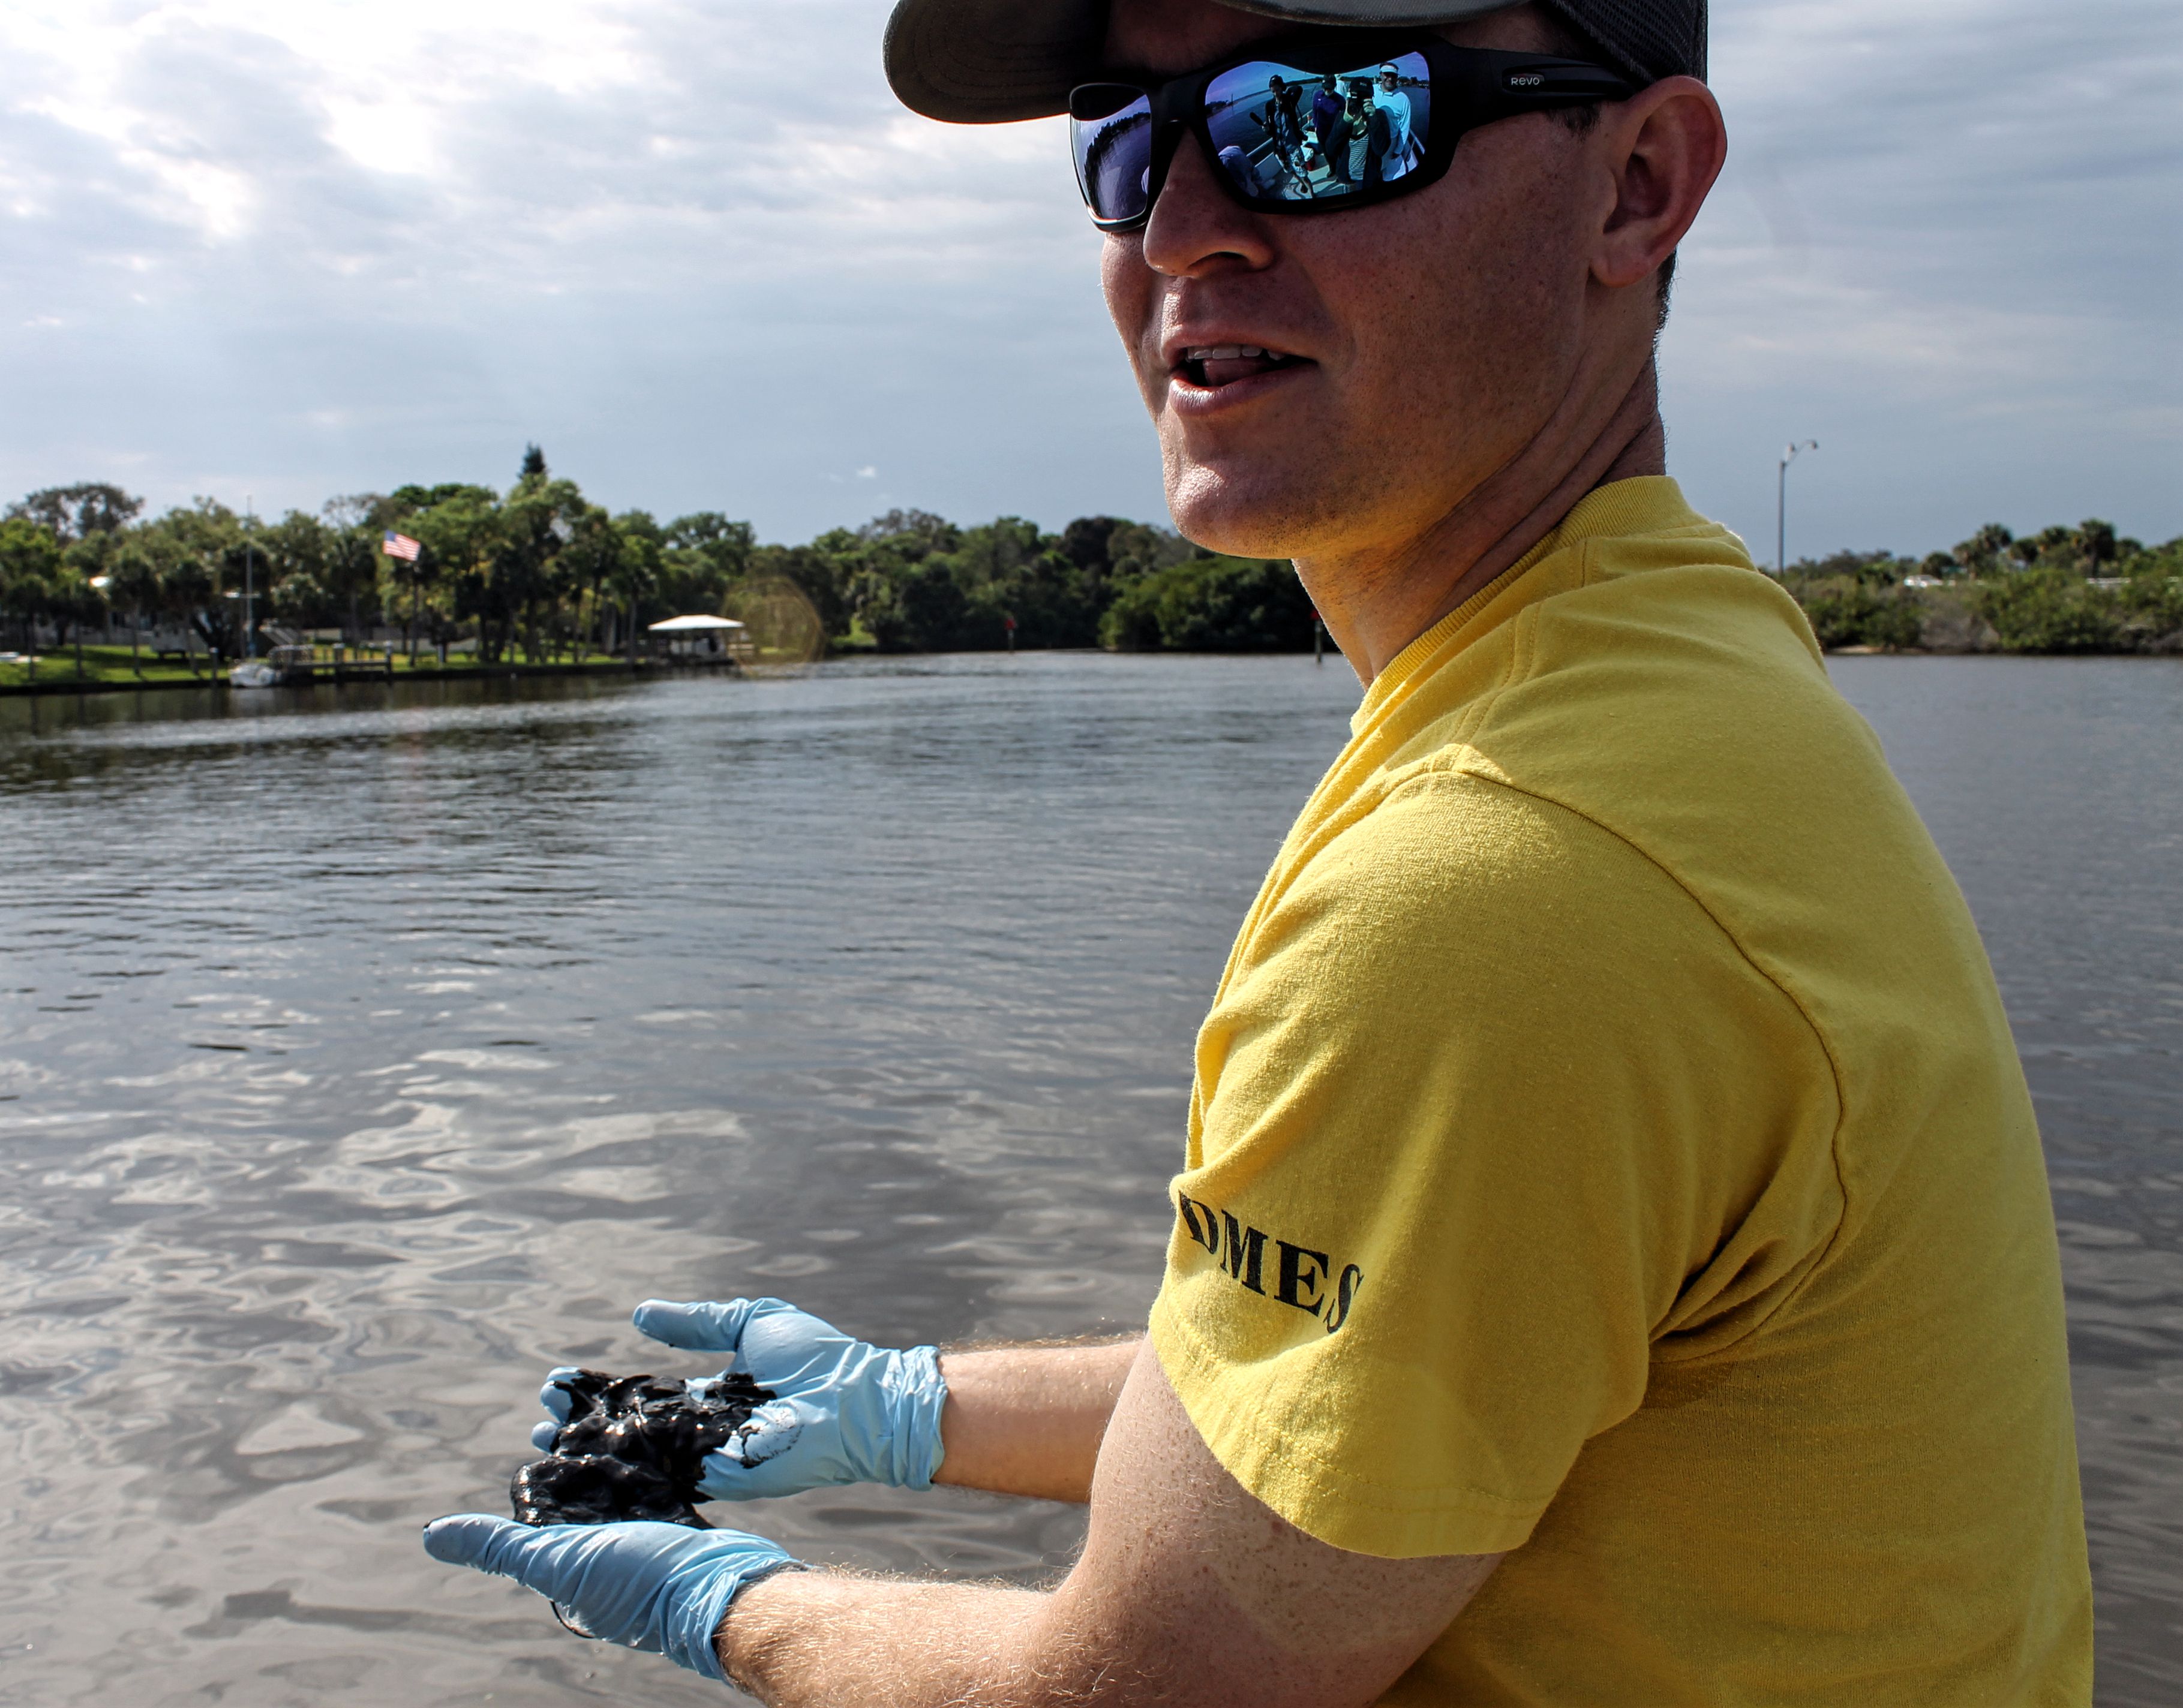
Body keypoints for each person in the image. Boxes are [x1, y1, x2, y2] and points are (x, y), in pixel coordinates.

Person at [424, 1, 2095, 1703]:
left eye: (1321, 115)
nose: (1180, 230)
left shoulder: (1505, 876)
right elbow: (1386, 1386)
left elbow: (1130, 1696)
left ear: (1636, 188)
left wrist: (730, 1605)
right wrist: (914, 1406)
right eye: (1129, 137)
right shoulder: (1670, 673)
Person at [1311, 72, 1350, 185]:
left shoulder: (1340, 100)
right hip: (1321, 132)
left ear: (1334, 86)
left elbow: (1344, 115)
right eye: (1325, 88)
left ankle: (1339, 172)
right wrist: (1315, 125)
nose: (1327, 90)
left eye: (1330, 88)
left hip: (1334, 132)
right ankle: (1332, 169)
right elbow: (1314, 111)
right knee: (1327, 154)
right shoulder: (1317, 96)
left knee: (1337, 153)